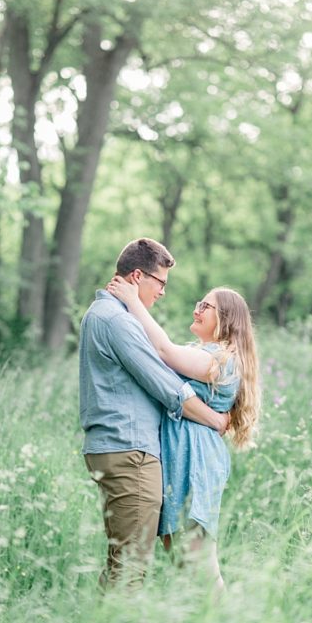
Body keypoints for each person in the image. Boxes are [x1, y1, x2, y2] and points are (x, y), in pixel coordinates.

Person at [80, 238, 230, 591]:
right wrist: (213, 418)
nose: (162, 292)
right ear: (137, 276)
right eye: (160, 283)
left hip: (122, 449)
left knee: (128, 560)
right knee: (130, 564)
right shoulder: (116, 320)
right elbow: (165, 384)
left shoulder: (105, 315)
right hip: (129, 452)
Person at [106, 276, 261, 594]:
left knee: (198, 563)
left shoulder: (220, 360)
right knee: (183, 560)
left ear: (226, 319)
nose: (197, 310)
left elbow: (163, 350)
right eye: (198, 303)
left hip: (196, 462)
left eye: (206, 306)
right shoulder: (207, 355)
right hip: (185, 457)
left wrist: (133, 300)